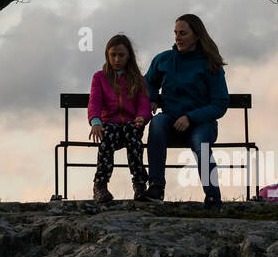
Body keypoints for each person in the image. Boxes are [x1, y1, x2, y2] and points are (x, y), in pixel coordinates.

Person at [144, 14, 229, 207]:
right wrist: (152, 98)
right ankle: (156, 187)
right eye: (175, 33)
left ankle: (213, 197)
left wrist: (190, 117)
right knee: (157, 122)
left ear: (197, 35)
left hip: (201, 124)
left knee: (201, 144)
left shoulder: (210, 64)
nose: (177, 37)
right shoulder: (163, 60)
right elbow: (148, 81)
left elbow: (220, 103)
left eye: (183, 33)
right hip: (170, 122)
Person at [88, 34, 152, 204]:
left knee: (133, 136)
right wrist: (96, 121)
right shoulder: (100, 77)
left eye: (121, 55)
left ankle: (139, 185)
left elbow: (144, 103)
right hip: (110, 124)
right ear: (107, 55)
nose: (116, 59)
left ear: (129, 55)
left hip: (132, 124)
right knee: (107, 135)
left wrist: (141, 117)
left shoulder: (138, 79)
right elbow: (94, 101)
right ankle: (100, 185)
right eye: (113, 55)